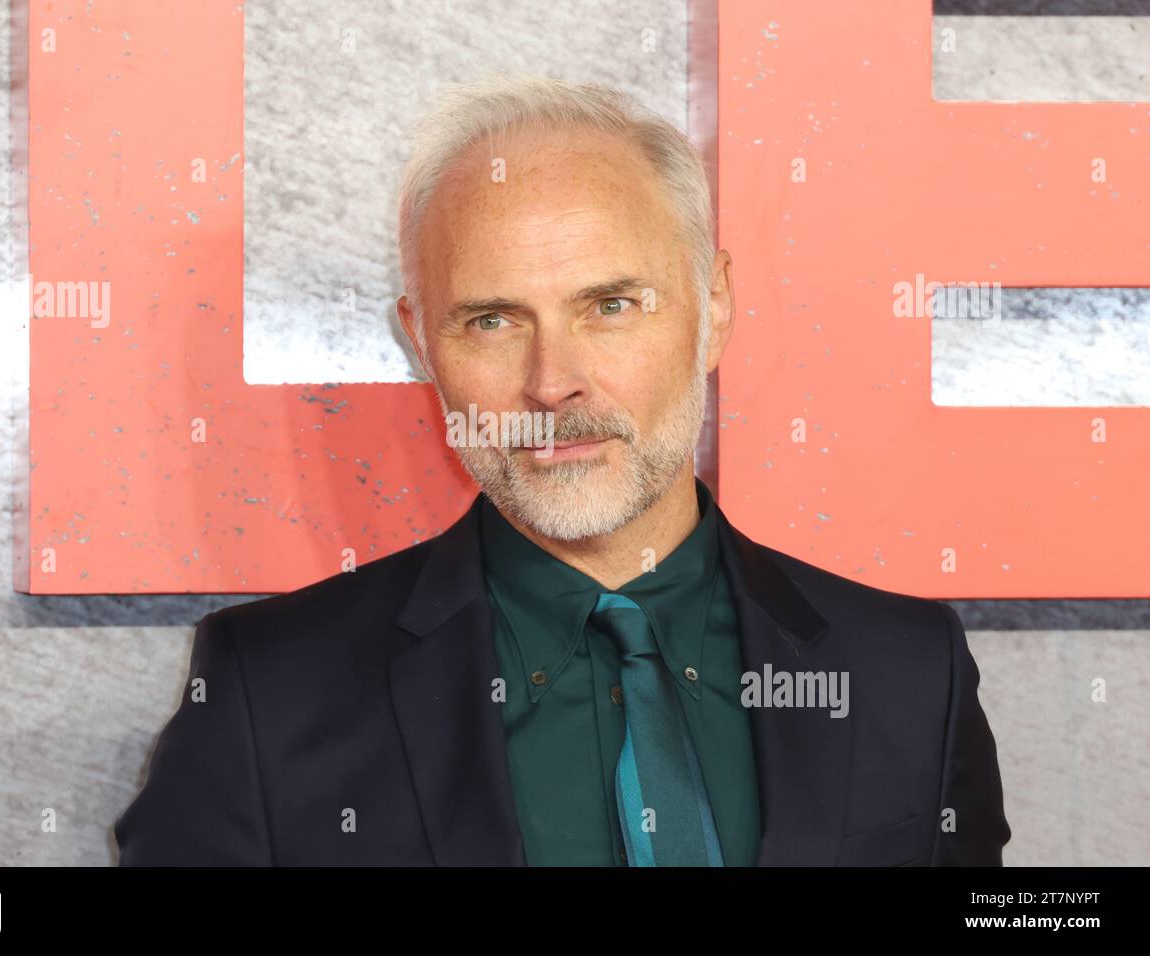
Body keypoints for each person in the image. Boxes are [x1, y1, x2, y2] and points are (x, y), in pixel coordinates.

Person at [114, 74, 1009, 866]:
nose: (552, 384)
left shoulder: (906, 672)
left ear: (715, 308)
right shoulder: (267, 696)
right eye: (491, 321)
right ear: (421, 342)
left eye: (611, 305)